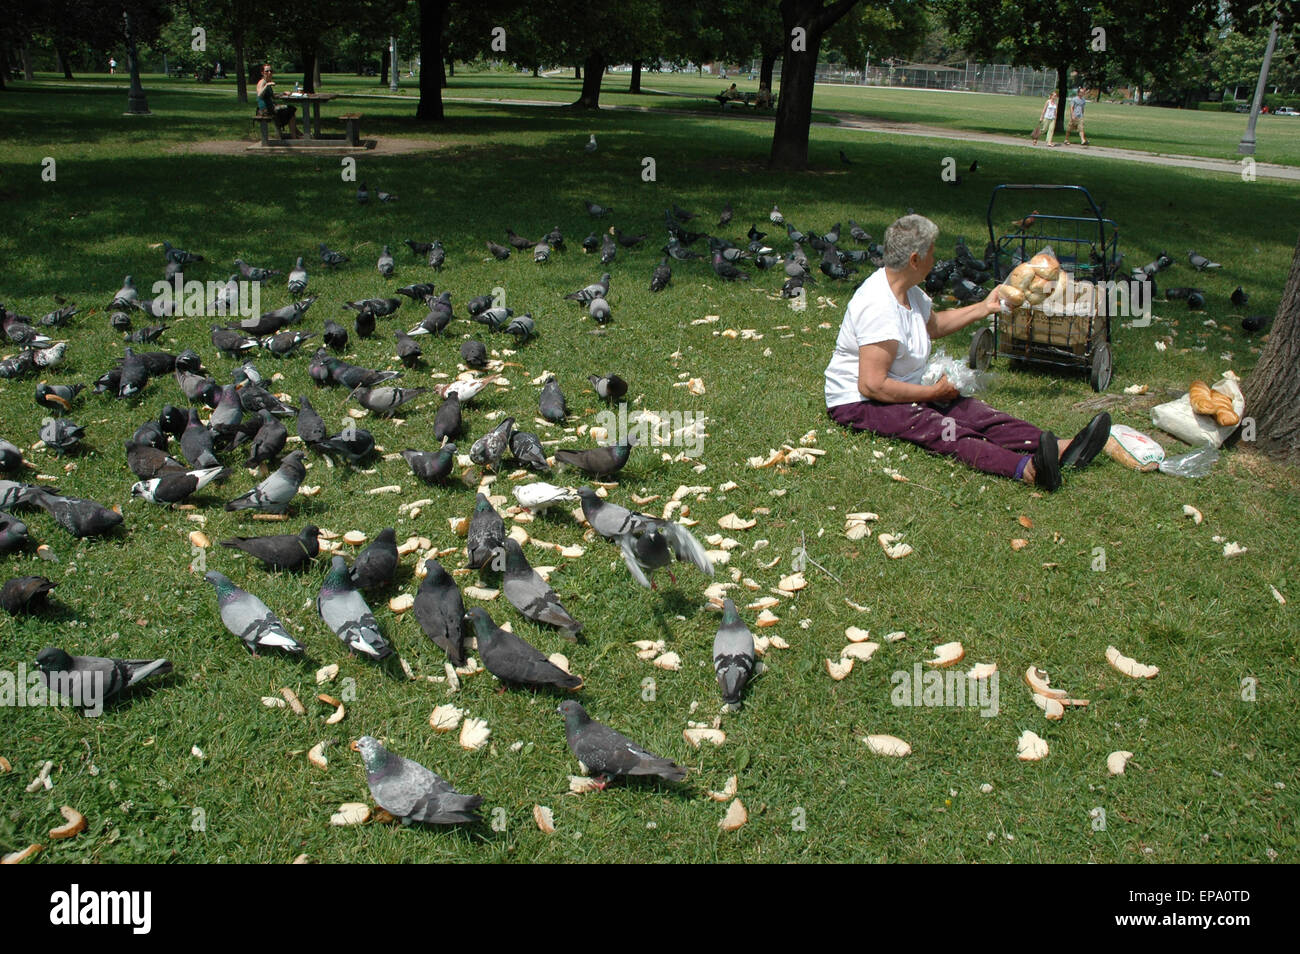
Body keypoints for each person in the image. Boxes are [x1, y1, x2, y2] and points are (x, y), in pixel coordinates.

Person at [824, 215, 1111, 492]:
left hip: (900, 391)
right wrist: (932, 394)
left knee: (973, 412)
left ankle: (1062, 448)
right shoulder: (878, 307)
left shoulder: (908, 292)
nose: (935, 260)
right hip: (860, 404)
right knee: (942, 427)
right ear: (914, 259)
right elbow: (872, 385)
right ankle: (1028, 469)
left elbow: (933, 325)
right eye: (932, 253)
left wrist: (984, 307)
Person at [255, 64, 299, 138]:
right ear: (262, 73)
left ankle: (295, 134)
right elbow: (260, 94)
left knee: (291, 109)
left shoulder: (267, 82)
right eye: (267, 71)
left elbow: (273, 96)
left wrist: (283, 93)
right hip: (265, 110)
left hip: (271, 107)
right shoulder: (262, 82)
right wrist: (266, 85)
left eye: (271, 71)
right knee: (290, 110)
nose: (269, 73)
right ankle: (295, 135)